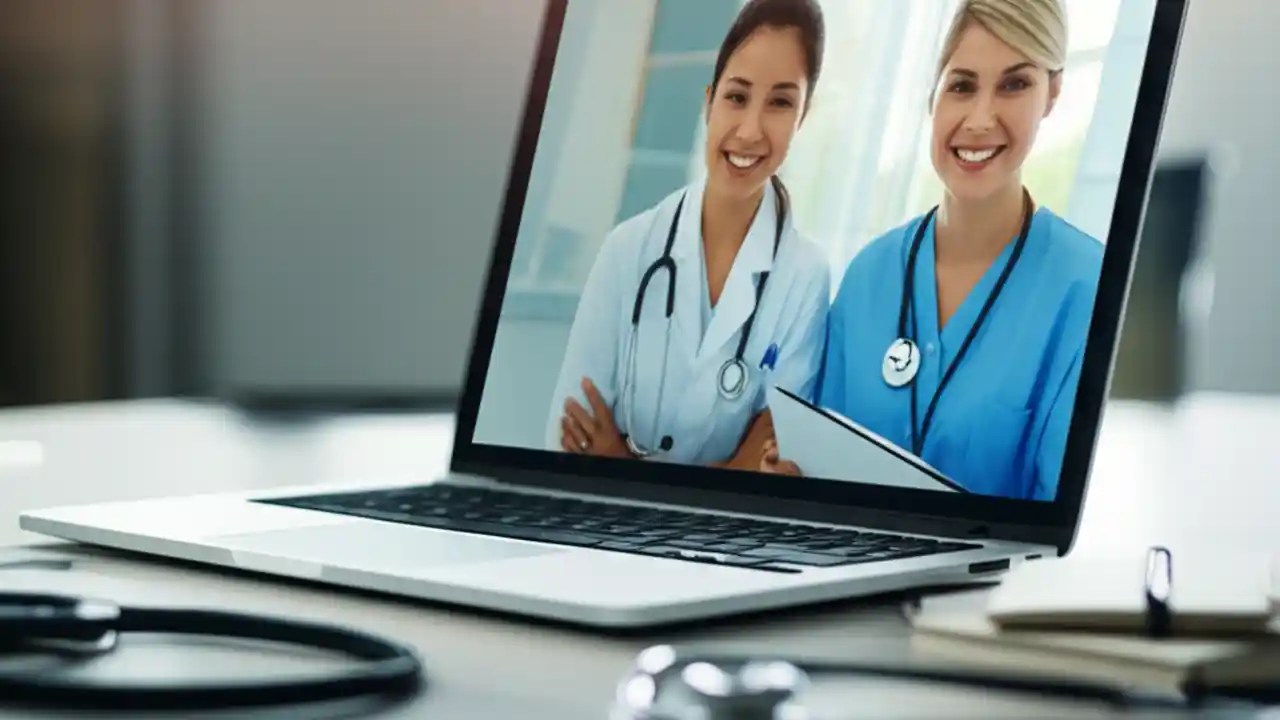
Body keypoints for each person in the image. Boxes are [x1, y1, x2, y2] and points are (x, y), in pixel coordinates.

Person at [764, 0, 1102, 501]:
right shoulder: (870, 274)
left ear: (1051, 93)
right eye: (962, 86)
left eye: (1014, 84)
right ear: (933, 97)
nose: (980, 119)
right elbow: (815, 468)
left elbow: (1061, 520)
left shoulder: (1086, 288)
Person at [545, 0, 830, 469]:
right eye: (736, 97)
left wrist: (620, 459)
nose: (750, 130)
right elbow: (571, 443)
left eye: (780, 103)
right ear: (708, 102)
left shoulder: (806, 276)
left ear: (802, 117)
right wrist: (731, 468)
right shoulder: (628, 250)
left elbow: (774, 466)